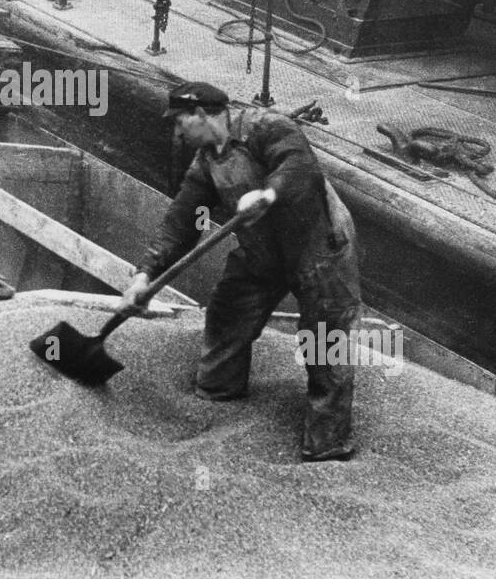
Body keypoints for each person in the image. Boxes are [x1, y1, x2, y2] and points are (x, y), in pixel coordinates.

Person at [117, 81, 363, 461]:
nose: (177, 131)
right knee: (229, 309)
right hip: (264, 249)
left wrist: (267, 194)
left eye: (180, 121)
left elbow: (299, 166)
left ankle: (328, 442)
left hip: (317, 244)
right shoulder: (205, 164)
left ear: (201, 115)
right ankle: (219, 390)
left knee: (323, 341)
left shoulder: (267, 127)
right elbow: (180, 223)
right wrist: (144, 275)